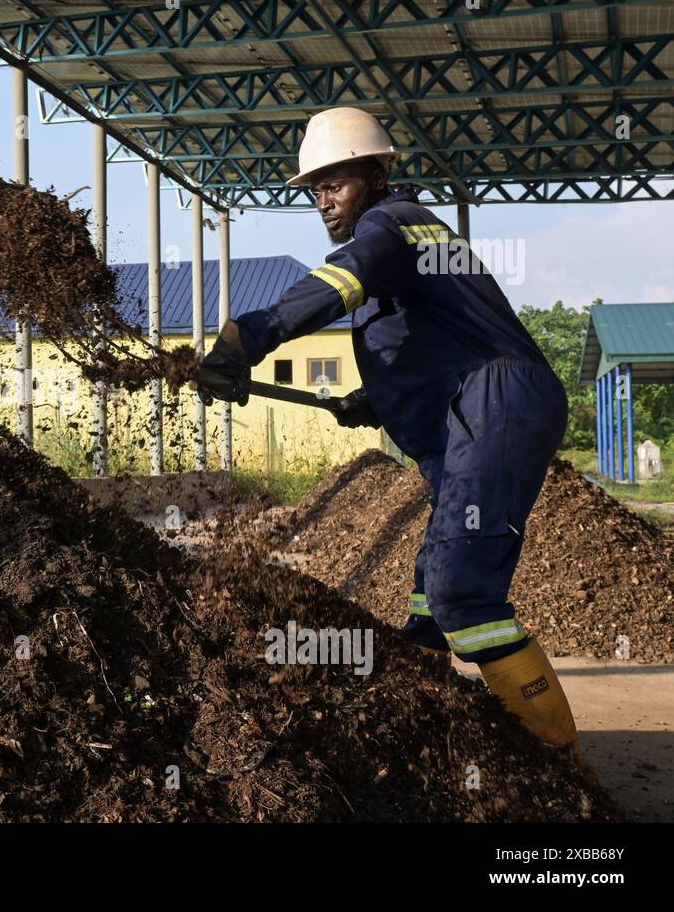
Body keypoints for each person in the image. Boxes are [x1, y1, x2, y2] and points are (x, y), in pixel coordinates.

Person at [196, 106, 583, 759]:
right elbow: (432, 344)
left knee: (462, 590)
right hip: (473, 410)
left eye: (335, 182)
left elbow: (338, 283)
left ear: (376, 175)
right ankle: (425, 712)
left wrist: (249, 336)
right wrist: (372, 400)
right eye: (315, 188)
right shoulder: (408, 241)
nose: (323, 200)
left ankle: (558, 756)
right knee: (433, 595)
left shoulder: (390, 225)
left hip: (496, 402)